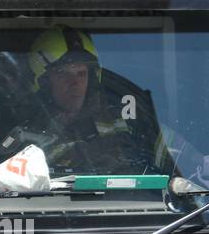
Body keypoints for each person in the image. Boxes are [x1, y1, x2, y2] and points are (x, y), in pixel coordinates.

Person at [13, 26, 156, 175]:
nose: (75, 83)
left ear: (92, 78)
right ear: (44, 82)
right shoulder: (27, 128)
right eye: (63, 74)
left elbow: (145, 165)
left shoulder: (117, 117)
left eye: (81, 74)